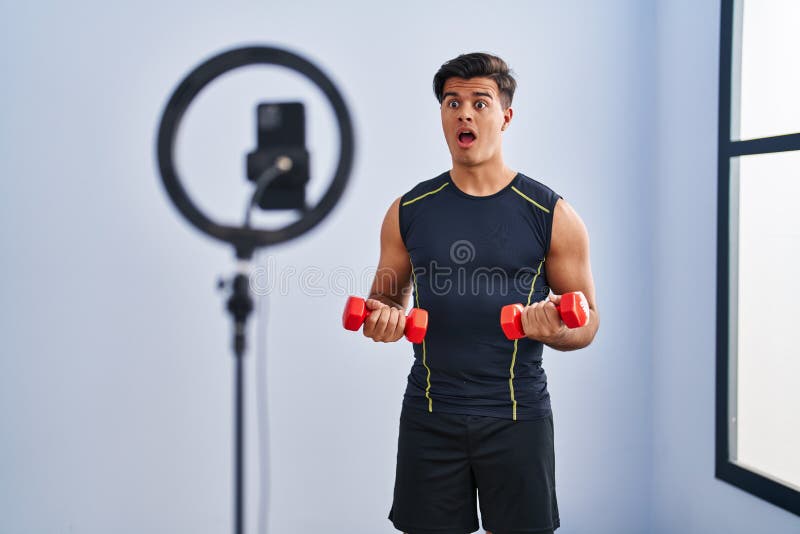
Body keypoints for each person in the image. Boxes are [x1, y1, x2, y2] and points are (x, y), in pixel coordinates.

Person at [361, 52, 599, 534]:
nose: (464, 113)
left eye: (479, 102)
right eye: (452, 103)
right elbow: (382, 305)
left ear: (505, 116)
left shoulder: (551, 213)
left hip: (517, 415)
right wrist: (382, 322)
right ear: (442, 116)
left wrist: (555, 327)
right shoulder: (408, 210)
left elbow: (588, 322)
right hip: (429, 413)